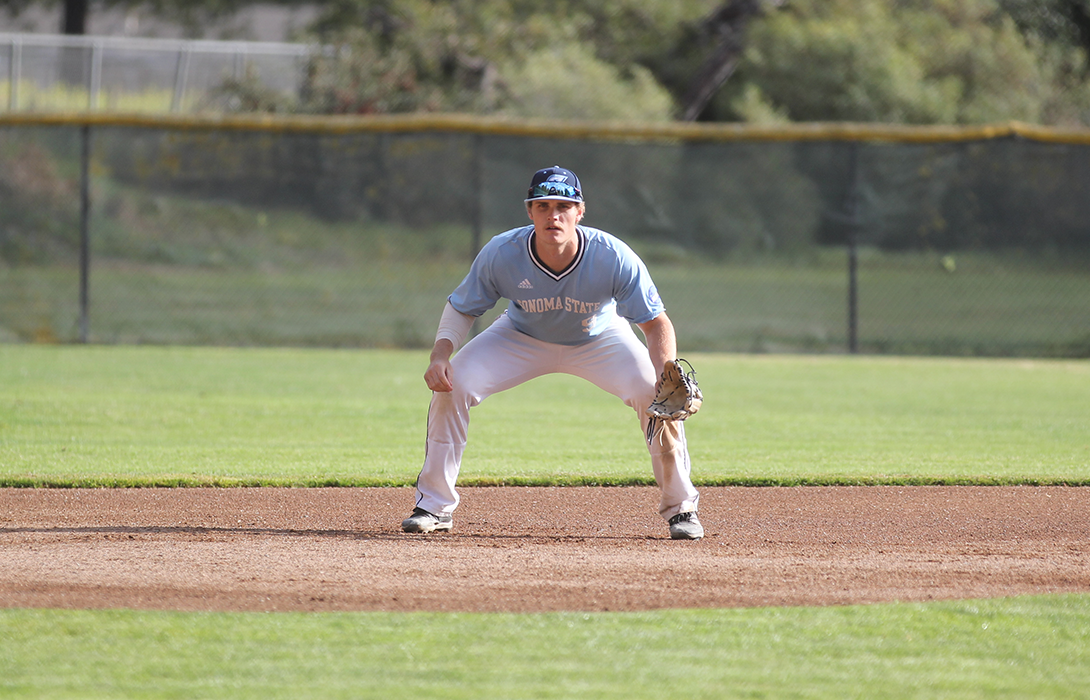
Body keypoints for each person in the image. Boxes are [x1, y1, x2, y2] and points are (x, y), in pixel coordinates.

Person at [401, 165, 703, 540]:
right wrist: (439, 355)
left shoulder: (612, 256)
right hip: (521, 335)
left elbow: (656, 323)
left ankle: (681, 508)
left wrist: (664, 370)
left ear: (580, 211)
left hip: (600, 337)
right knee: (453, 384)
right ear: (529, 212)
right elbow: (463, 308)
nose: (553, 215)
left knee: (653, 394)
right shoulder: (503, 252)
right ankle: (433, 506)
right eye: (542, 206)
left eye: (563, 206)